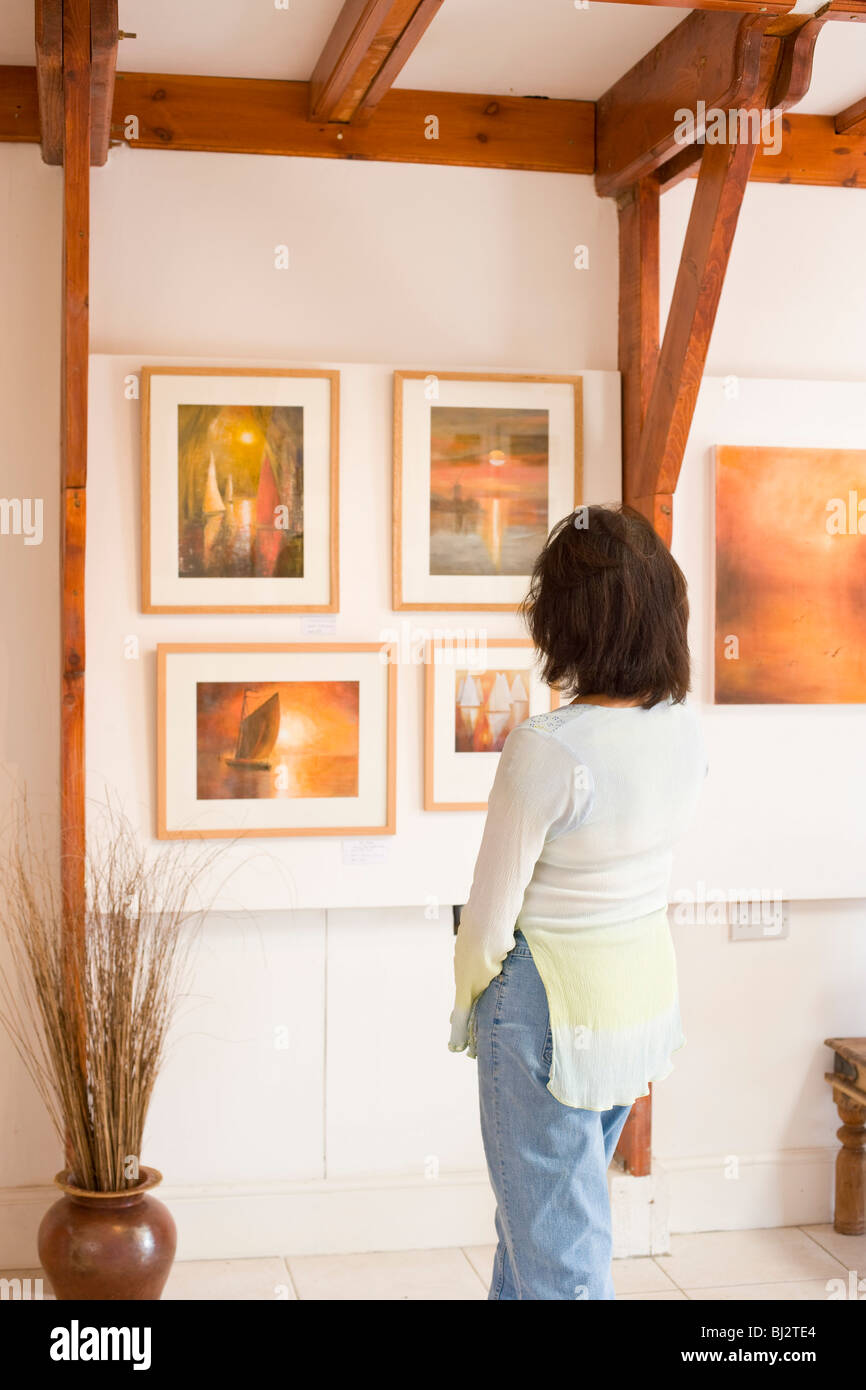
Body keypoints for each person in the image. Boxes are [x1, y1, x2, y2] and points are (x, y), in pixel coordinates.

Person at [449, 504, 707, 1300]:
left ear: (565, 621)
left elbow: (488, 922)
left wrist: (466, 1012)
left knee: (560, 1257)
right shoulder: (683, 729)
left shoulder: (547, 749)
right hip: (637, 1005)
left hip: (547, 1015)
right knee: (536, 1229)